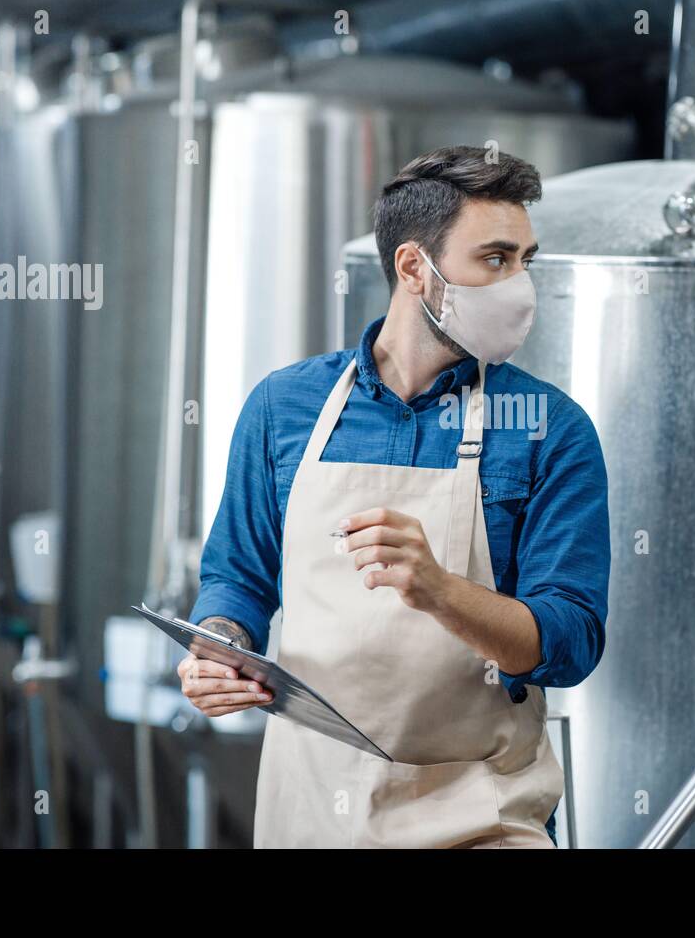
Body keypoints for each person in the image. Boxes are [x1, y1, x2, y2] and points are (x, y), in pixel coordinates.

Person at [178, 145, 610, 848]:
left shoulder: (550, 430)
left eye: (527, 260)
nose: (520, 285)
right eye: (496, 259)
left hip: (482, 812)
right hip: (311, 807)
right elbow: (238, 578)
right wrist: (218, 648)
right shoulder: (285, 407)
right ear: (415, 268)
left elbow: (570, 640)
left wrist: (439, 588)